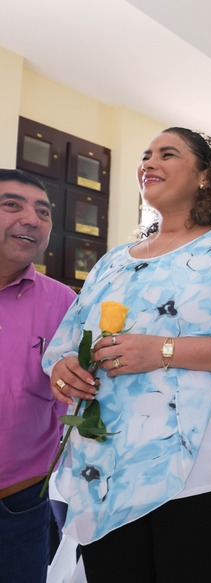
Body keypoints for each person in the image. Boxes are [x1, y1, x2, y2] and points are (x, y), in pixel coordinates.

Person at [42, 128, 211, 583]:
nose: (149, 163)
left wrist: (164, 351)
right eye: (145, 156)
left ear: (205, 178)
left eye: (167, 154)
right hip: (111, 472)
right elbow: (65, 344)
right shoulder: (114, 261)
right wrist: (65, 370)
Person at [0, 169, 76, 583]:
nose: (32, 218)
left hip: (19, 502)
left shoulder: (65, 304)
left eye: (43, 211)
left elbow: (78, 398)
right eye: (12, 204)